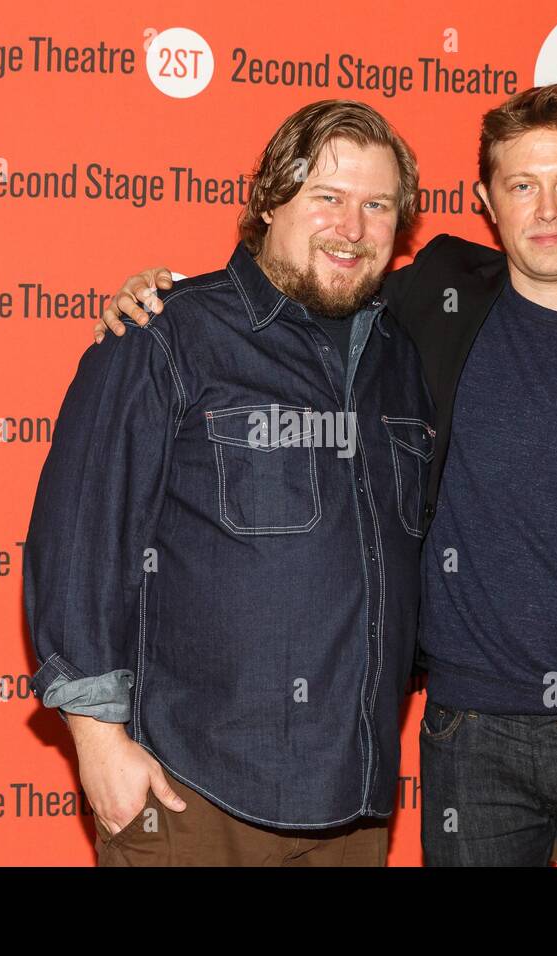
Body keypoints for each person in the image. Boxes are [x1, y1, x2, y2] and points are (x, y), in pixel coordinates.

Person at [99, 84, 557, 866]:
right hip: (467, 736)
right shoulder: (433, 297)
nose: (546, 210)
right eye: (521, 185)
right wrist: (157, 296)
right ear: (485, 199)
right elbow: (305, 282)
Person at [23, 99, 433, 865]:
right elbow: (83, 537)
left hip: (355, 799)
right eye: (328, 199)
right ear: (271, 202)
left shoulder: (402, 362)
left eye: (377, 206)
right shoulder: (167, 333)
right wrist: (98, 742)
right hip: (192, 793)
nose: (352, 227)